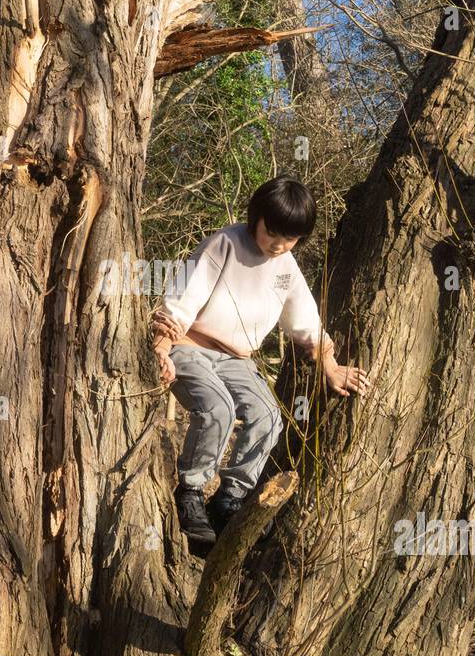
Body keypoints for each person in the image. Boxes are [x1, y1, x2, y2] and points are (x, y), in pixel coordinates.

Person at [150, 176, 369, 547]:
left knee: (268, 416)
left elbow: (305, 323)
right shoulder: (224, 245)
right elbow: (182, 299)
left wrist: (329, 366)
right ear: (256, 218)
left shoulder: (286, 268)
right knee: (217, 407)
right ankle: (191, 492)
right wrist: (162, 347)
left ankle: (230, 497)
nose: (279, 244)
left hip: (238, 359)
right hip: (190, 345)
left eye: (291, 238)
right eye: (273, 232)